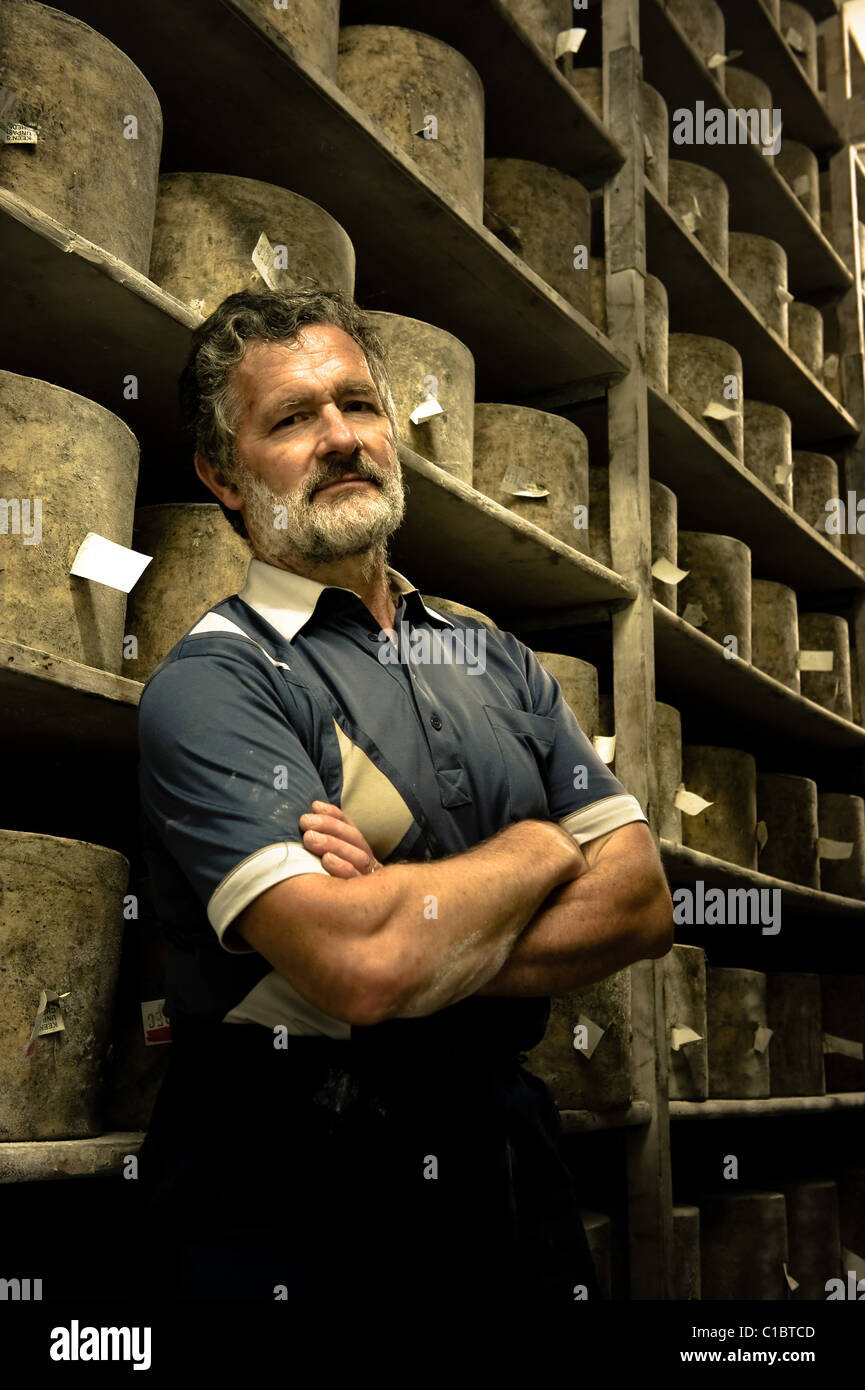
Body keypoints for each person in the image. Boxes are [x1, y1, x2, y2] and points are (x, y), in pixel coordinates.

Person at [133, 287, 673, 1315]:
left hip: (502, 1148)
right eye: (291, 419)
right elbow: (363, 964)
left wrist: (410, 912)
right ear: (223, 474)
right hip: (295, 1165)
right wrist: (542, 854)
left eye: (357, 404)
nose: (340, 437)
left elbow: (644, 901)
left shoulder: (490, 652)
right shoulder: (215, 683)